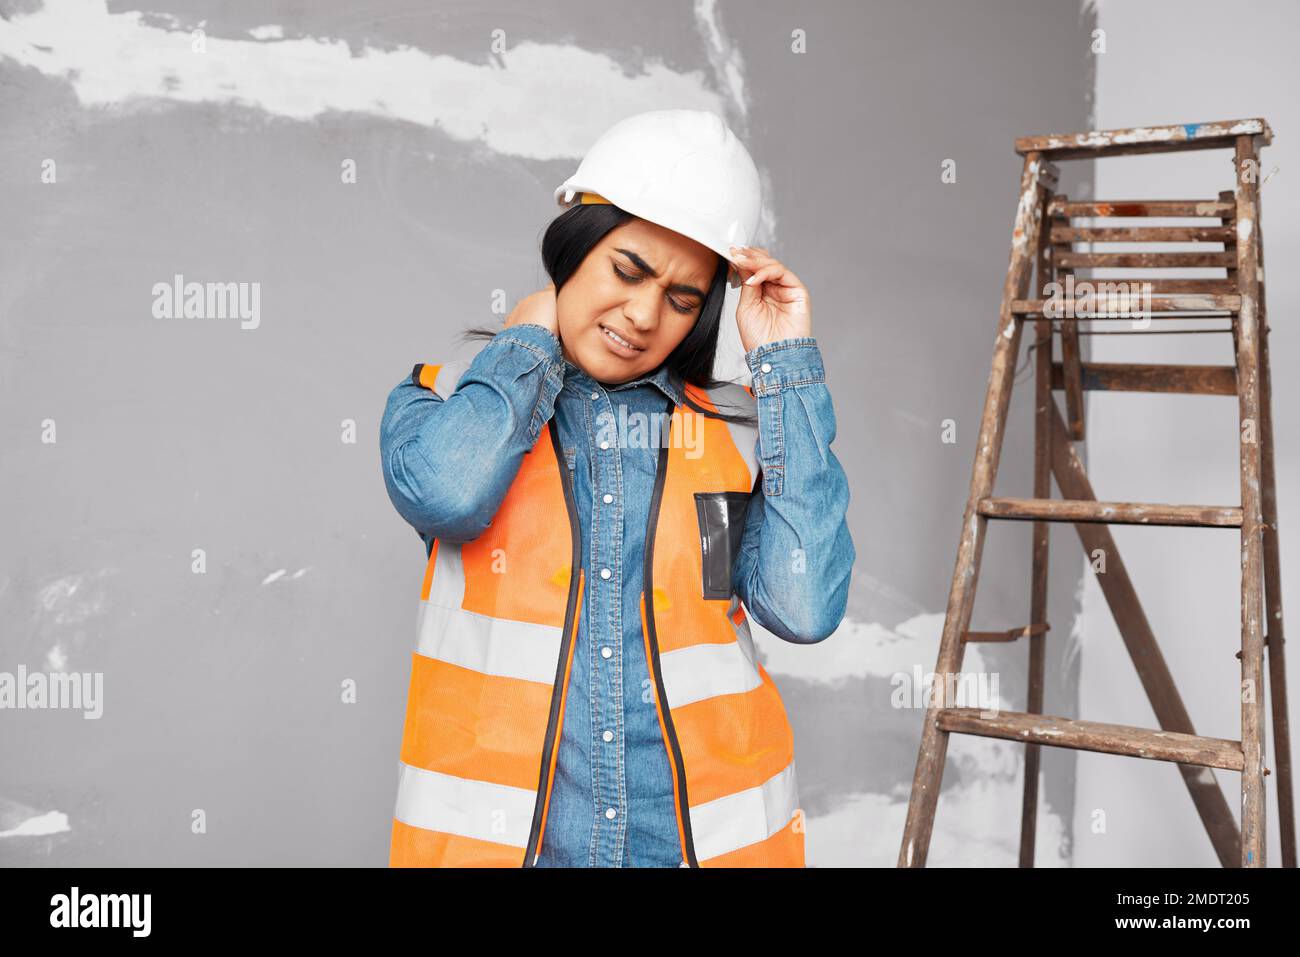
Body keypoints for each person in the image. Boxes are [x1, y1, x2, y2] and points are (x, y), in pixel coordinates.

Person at [379, 109, 854, 867]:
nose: (642, 315)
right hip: (503, 849)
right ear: (575, 245)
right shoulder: (444, 399)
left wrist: (786, 363)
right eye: (627, 270)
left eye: (683, 298)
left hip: (703, 848)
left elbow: (802, 608)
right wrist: (529, 340)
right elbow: (449, 495)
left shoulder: (730, 434)